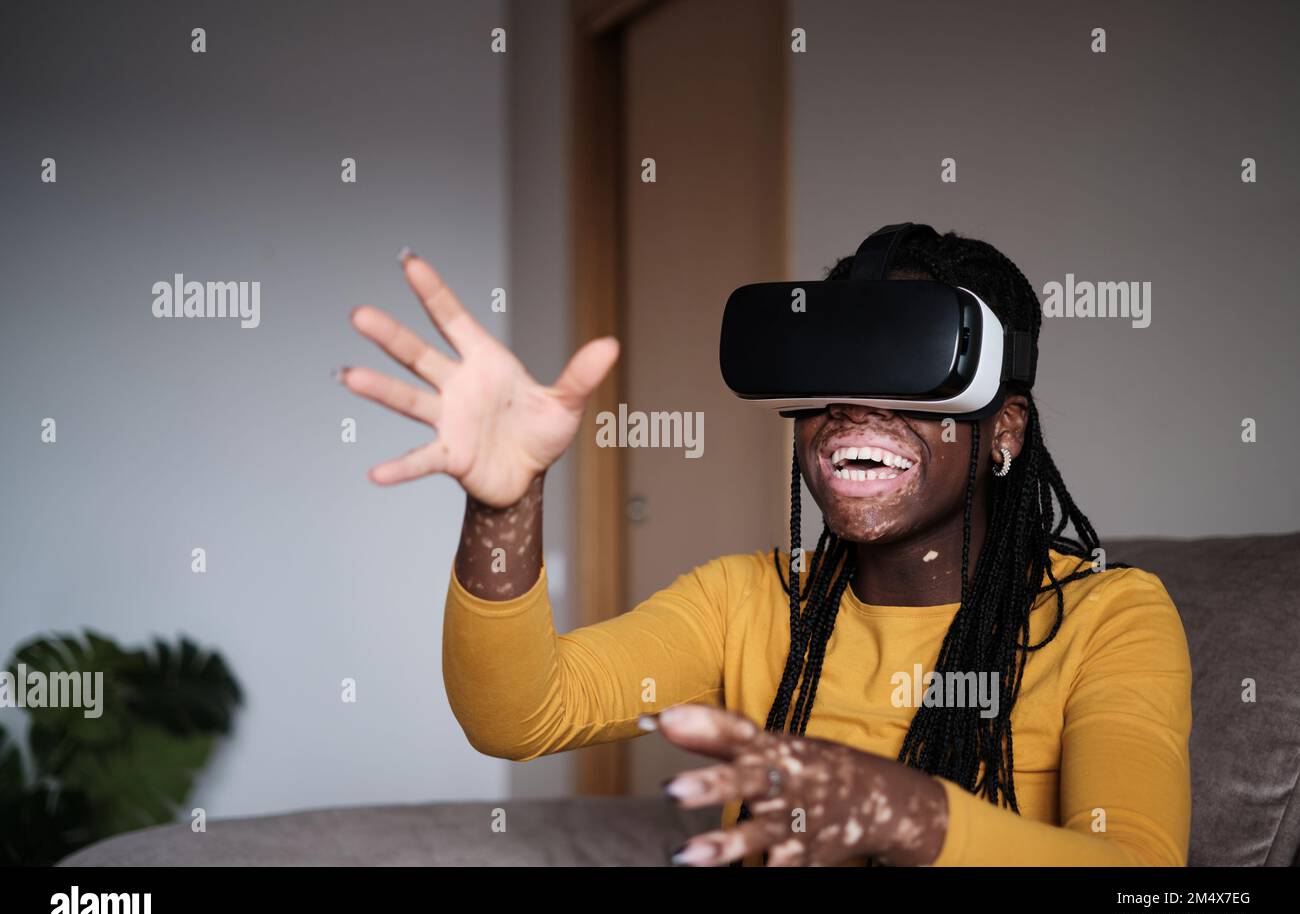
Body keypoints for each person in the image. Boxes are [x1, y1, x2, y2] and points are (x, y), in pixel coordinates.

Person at [340, 229, 1191, 867]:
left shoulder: (1109, 617)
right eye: (826, 374)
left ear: (1002, 428)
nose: (855, 408)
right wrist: (505, 505)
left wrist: (906, 814)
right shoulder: (745, 601)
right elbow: (516, 717)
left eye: (904, 369)